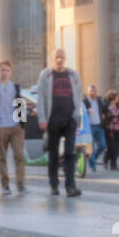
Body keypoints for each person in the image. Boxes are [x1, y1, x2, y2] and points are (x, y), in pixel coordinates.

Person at [36, 48, 83, 196]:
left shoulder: (73, 75)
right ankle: (54, 185)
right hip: (52, 120)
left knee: (69, 153)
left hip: (69, 119)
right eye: (57, 57)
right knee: (54, 154)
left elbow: (79, 95)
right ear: (52, 58)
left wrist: (76, 114)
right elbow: (40, 98)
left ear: (65, 58)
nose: (59, 60)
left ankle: (70, 187)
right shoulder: (46, 74)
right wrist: (42, 118)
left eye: (62, 57)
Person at [0, 60, 26, 194]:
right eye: (2, 69)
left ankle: (21, 184)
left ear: (11, 72)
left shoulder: (15, 87)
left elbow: (20, 104)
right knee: (2, 157)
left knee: (19, 155)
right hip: (0, 126)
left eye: (7, 70)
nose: (5, 72)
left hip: (15, 126)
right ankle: (5, 185)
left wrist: (22, 125)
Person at [84, 84, 107, 171]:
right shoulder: (85, 101)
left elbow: (104, 109)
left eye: (94, 91)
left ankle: (93, 159)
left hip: (99, 126)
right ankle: (92, 165)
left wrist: (103, 117)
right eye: (91, 91)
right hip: (90, 127)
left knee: (103, 145)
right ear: (88, 92)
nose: (93, 92)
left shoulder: (99, 101)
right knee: (92, 147)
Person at [102, 90, 119, 170]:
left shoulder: (118, 107)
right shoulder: (106, 107)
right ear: (113, 97)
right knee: (111, 148)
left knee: (116, 148)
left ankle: (113, 165)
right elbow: (104, 118)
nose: (118, 98)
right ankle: (105, 160)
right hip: (110, 131)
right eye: (117, 96)